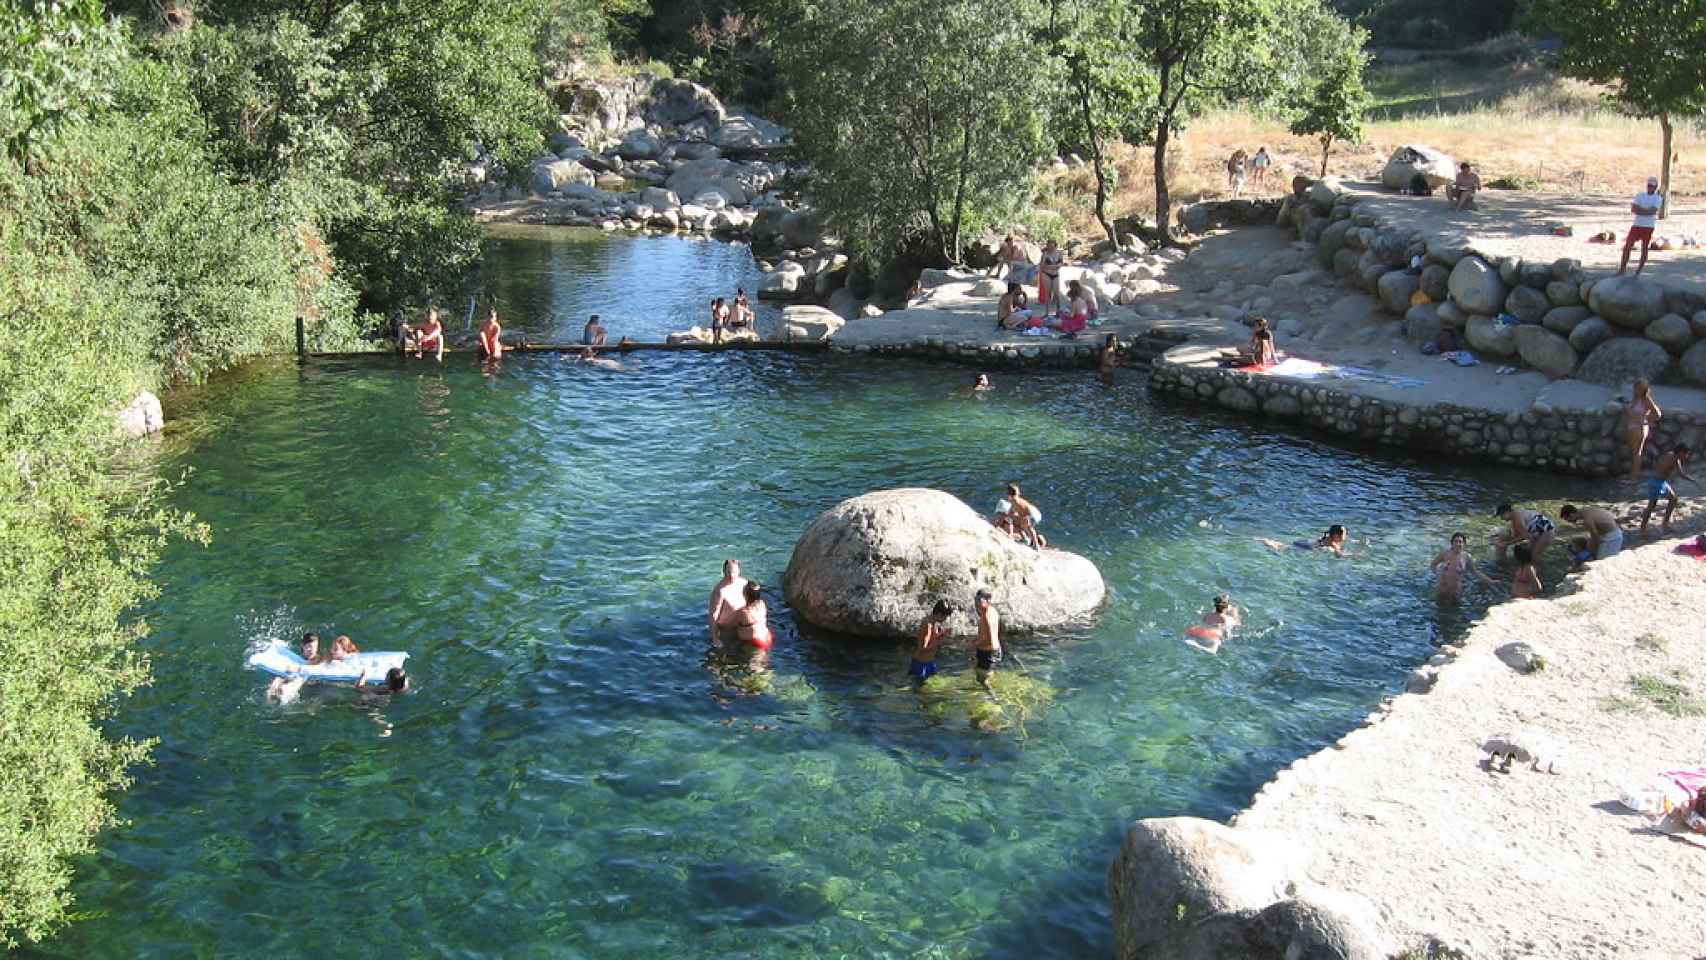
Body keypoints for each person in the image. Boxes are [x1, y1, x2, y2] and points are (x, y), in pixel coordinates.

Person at [1639, 445, 1696, 535]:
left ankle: (1645, 527)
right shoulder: (1675, 459)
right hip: (1658, 483)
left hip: (1657, 482)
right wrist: (1692, 480)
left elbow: (1658, 463)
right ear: (1681, 452)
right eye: (1686, 454)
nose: (1687, 457)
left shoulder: (1669, 454)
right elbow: (1681, 474)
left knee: (1655, 505)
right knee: (1668, 501)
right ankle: (1663, 525)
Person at [1617, 176, 1665, 276]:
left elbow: (1652, 211)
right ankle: (1622, 269)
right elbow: (1634, 209)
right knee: (1627, 246)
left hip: (1648, 226)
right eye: (1648, 185)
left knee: (1644, 248)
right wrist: (1645, 211)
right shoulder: (1640, 195)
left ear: (1655, 187)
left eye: (1652, 186)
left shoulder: (1658, 198)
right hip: (1637, 224)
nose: (1650, 187)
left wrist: (1641, 210)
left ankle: (1638, 272)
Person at [1430, 533, 1495, 601]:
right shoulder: (1445, 554)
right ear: (1452, 543)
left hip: (1455, 590)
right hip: (1443, 587)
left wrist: (1490, 581)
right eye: (1456, 541)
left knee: (1454, 609)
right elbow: (1433, 564)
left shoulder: (1466, 557)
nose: (1458, 544)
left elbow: (1475, 572)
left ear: (1464, 544)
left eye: (1460, 542)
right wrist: (1438, 574)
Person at [1625, 378, 1662, 480]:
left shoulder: (1646, 399)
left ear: (1644, 389)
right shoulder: (1636, 398)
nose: (1636, 390)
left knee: (1637, 453)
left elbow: (1658, 414)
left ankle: (1633, 478)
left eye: (1639, 388)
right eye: (1636, 388)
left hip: (1639, 428)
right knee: (1634, 453)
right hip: (1633, 427)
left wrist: (1645, 419)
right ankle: (1632, 475)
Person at [909, 600, 952, 684]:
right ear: (939, 614)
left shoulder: (933, 623)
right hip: (921, 665)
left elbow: (932, 639)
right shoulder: (927, 626)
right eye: (945, 617)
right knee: (921, 692)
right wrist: (941, 641)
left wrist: (943, 634)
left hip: (929, 662)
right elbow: (923, 647)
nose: (945, 619)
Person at [1559, 504, 1623, 560]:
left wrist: (1588, 551)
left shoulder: (1588, 520)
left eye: (1568, 519)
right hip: (1607, 535)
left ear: (1571, 515)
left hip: (1612, 539)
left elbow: (1595, 538)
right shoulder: (1586, 509)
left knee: (1600, 561)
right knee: (1576, 541)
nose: (1569, 522)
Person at [708, 558, 749, 645]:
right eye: (728, 572)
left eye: (734, 572)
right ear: (724, 572)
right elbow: (713, 615)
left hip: (742, 627)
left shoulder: (744, 583)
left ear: (739, 571)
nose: (731, 575)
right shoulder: (720, 590)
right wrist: (715, 638)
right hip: (726, 630)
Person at [998, 483, 1047, 549]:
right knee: (1021, 524)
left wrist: (1023, 519)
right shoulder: (1014, 499)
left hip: (1032, 514)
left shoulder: (1015, 501)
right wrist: (1009, 515)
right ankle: (1028, 540)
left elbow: (1023, 511)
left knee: (1028, 527)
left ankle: (1035, 544)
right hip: (1033, 512)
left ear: (1009, 494)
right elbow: (1012, 510)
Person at [729, 581, 773, 651]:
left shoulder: (743, 612)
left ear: (745, 595)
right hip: (766, 636)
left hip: (755, 642)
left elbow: (731, 624)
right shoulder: (762, 604)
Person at [1258, 524, 1348, 556]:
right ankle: (1264, 541)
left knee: (1284, 545)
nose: (1346, 536)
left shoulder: (1328, 538)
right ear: (1336, 535)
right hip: (1308, 547)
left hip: (1308, 542)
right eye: (1344, 534)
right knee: (1282, 548)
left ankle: (1264, 540)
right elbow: (1339, 555)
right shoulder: (1333, 544)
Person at [972, 590, 1000, 685]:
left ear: (986, 601)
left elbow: (990, 641)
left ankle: (993, 698)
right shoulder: (992, 610)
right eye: (975, 600)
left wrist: (973, 644)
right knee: (981, 676)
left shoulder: (987, 616)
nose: (976, 604)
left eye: (978, 601)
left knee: (982, 681)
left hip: (987, 653)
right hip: (993, 651)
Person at [1037, 240, 1064, 316]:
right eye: (1049, 246)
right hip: (1046, 274)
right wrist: (1053, 266)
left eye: (1052, 246)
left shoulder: (1059, 253)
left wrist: (1056, 266)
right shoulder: (1045, 254)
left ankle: (1058, 311)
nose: (1050, 248)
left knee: (1057, 294)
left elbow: (1061, 263)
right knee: (1047, 293)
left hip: (1055, 274)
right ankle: (1046, 312)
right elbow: (1042, 265)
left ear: (1055, 246)